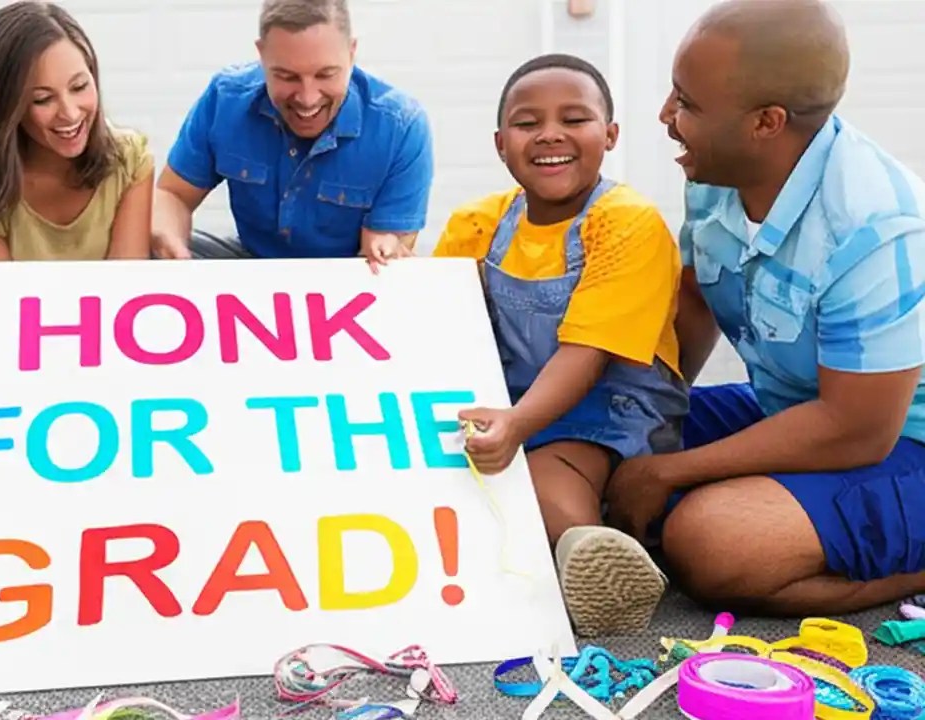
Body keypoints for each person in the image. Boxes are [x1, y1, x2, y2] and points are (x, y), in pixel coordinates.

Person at [607, 0, 925, 617]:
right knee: (594, 438)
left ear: (766, 123)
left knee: (712, 540)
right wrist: (636, 424)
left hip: (895, 440)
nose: (666, 116)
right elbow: (695, 297)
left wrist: (669, 472)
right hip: (794, 408)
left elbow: (856, 428)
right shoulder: (715, 175)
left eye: (686, 103)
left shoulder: (874, 228)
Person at [433, 54, 687, 637]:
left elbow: (587, 354)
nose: (549, 134)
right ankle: (569, 555)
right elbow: (440, 323)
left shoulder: (627, 221)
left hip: (610, 407)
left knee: (544, 476)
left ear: (610, 135)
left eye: (574, 119)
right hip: (512, 404)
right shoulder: (477, 223)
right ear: (500, 143)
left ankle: (589, 555)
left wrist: (518, 425)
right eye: (527, 123)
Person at [150, 0, 433, 269]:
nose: (308, 99)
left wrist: (387, 246)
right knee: (146, 242)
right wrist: (170, 242)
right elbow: (173, 193)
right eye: (287, 77)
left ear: (351, 53)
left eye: (325, 74)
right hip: (252, 262)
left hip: (348, 276)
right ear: (262, 55)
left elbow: (384, 247)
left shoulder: (402, 127)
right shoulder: (225, 99)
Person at [0, 1, 152, 261]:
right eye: (42, 99)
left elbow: (126, 280)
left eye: (79, 86)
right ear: (5, 108)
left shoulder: (129, 160)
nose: (70, 113)